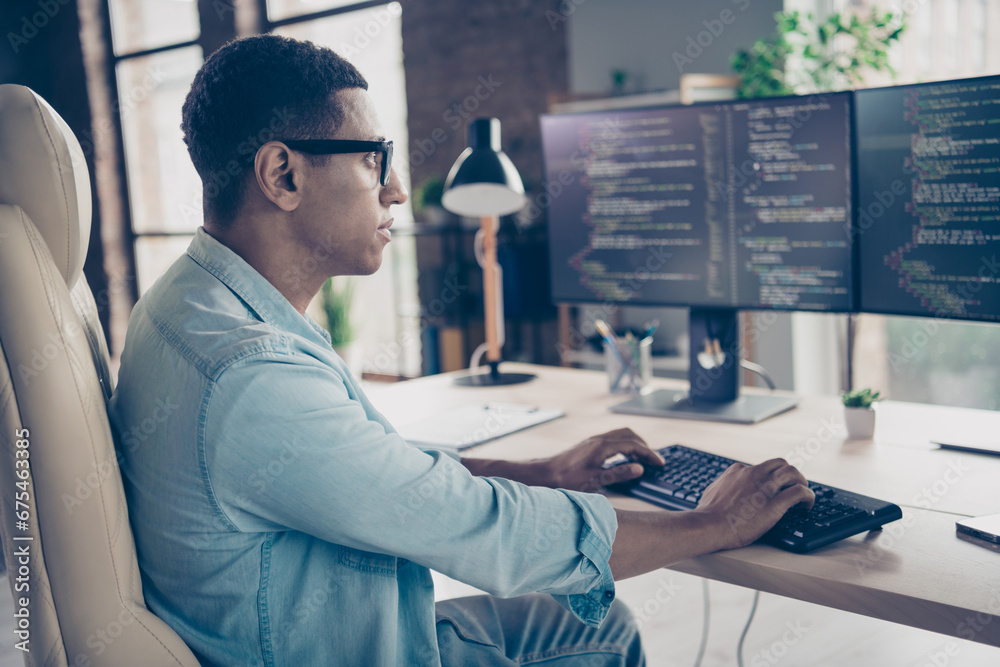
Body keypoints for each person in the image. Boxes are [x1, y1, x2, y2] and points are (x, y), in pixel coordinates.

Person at [108, 34, 814, 667]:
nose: (395, 189)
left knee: (575, 622)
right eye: (372, 158)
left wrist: (543, 469)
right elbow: (490, 537)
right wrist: (714, 521)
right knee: (604, 634)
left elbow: (378, 474)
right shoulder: (249, 373)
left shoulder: (183, 304)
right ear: (283, 174)